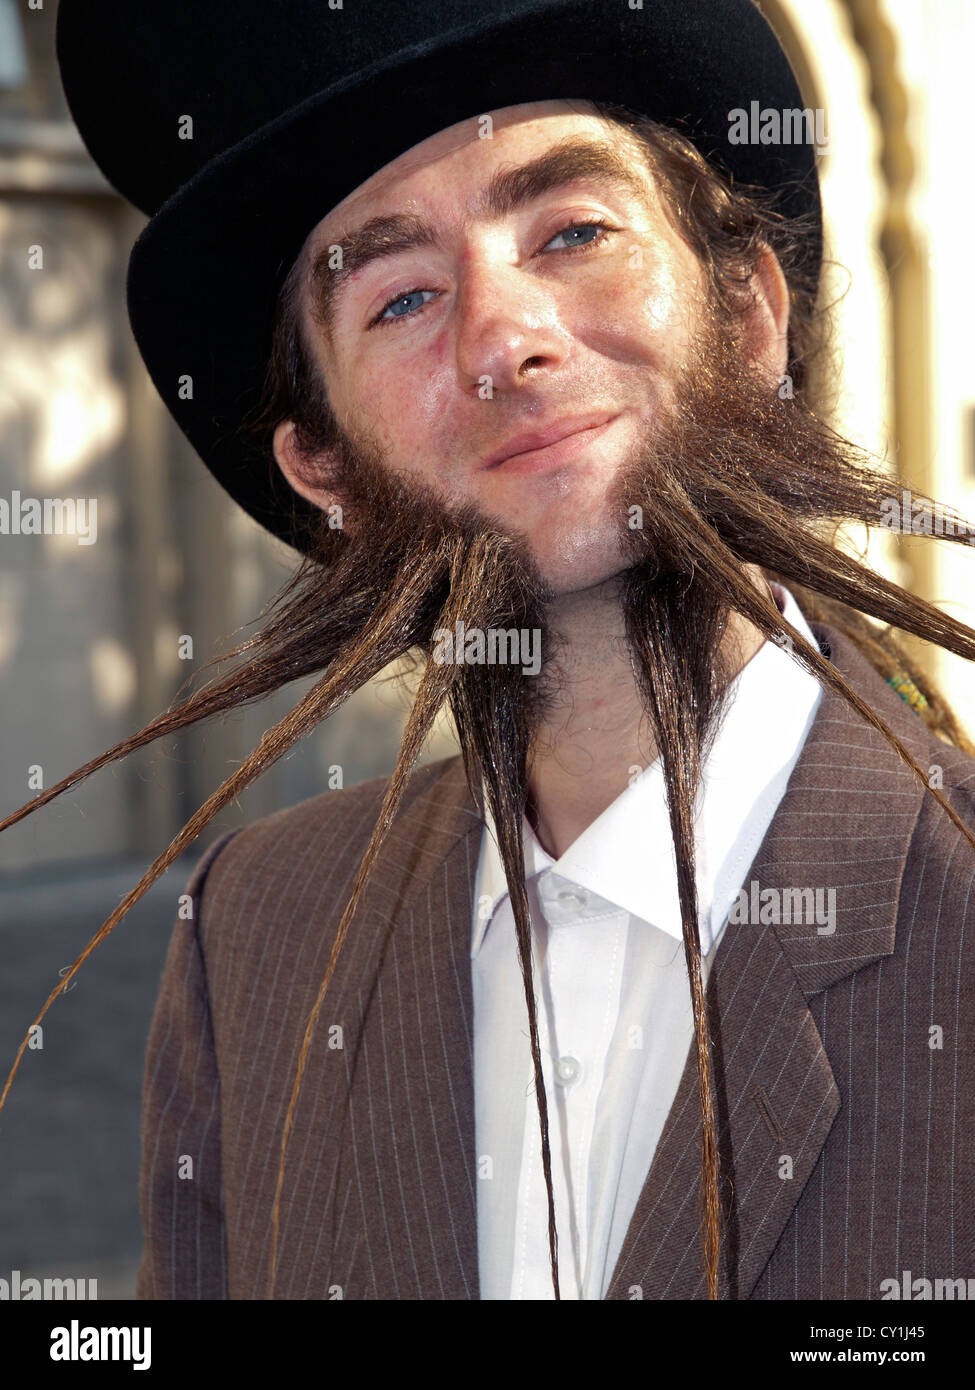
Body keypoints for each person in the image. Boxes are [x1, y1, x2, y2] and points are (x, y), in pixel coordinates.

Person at [5, 0, 970, 1301]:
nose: (504, 337)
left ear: (748, 315)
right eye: (401, 295)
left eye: (573, 232)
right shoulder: (250, 939)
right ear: (324, 463)